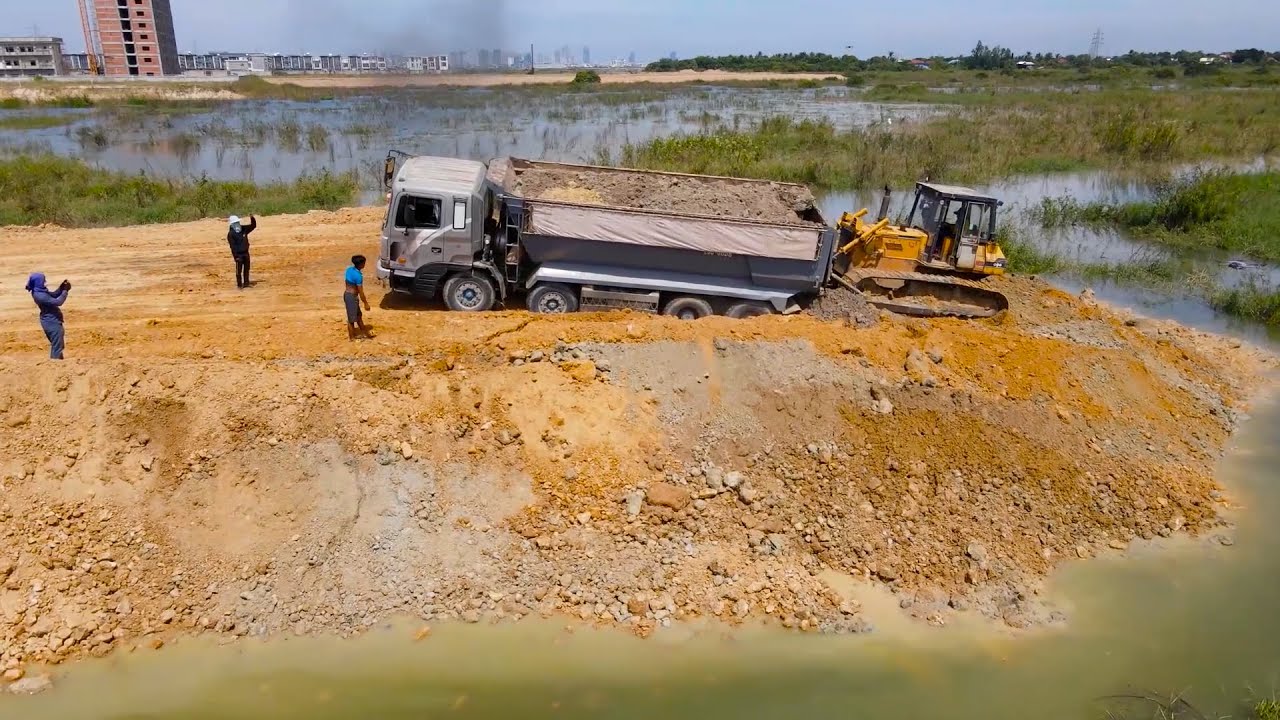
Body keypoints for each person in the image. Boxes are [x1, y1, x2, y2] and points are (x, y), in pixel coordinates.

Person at [25, 273, 71, 360]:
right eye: (43, 281)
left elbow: (53, 295)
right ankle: (55, 364)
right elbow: (58, 302)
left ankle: (58, 362)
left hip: (51, 320)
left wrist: (61, 288)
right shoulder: (40, 295)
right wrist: (65, 291)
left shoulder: (40, 291)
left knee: (57, 344)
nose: (45, 282)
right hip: (51, 322)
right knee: (57, 345)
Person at [344, 255, 373, 340]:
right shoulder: (358, 276)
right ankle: (352, 337)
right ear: (361, 264)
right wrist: (366, 303)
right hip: (352, 297)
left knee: (358, 316)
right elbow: (361, 292)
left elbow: (347, 282)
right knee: (352, 319)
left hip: (348, 295)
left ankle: (364, 333)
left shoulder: (349, 270)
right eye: (364, 263)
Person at [227, 214, 257, 289]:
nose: (237, 224)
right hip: (238, 255)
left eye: (238, 222)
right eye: (235, 223)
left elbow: (253, 226)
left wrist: (252, 218)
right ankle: (239, 285)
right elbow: (232, 246)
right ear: (232, 224)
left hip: (246, 253)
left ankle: (246, 283)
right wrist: (236, 257)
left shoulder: (243, 229)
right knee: (239, 271)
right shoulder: (231, 234)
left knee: (246, 269)